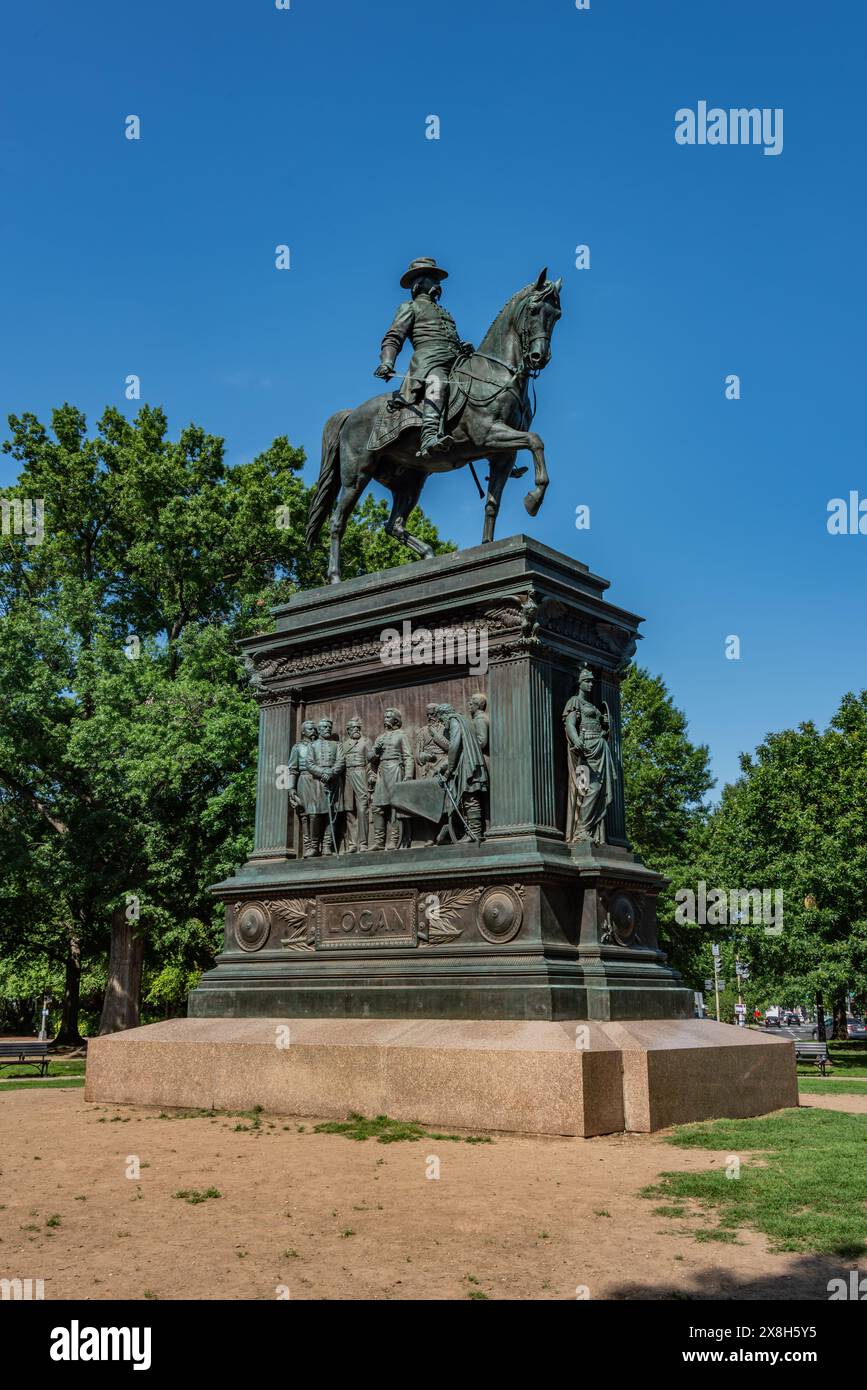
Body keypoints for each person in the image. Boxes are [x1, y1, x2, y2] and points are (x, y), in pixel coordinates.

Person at [374, 257, 473, 459]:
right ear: (419, 284)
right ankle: (429, 436)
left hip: (456, 360)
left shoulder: (444, 312)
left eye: (438, 280)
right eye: (433, 279)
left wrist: (463, 348)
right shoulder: (409, 307)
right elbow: (394, 337)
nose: (438, 284)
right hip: (430, 362)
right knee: (438, 382)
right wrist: (387, 362)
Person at [563, 665, 616, 843]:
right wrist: (576, 740)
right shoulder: (574, 701)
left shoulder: (592, 705)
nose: (591, 684)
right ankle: (581, 830)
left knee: (599, 788)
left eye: (592, 681)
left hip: (599, 748)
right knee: (587, 788)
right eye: (587, 681)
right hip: (585, 750)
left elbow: (601, 722)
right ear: (579, 683)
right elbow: (570, 723)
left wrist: (605, 722)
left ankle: (590, 830)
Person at [370, 708, 415, 850]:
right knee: (377, 806)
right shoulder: (380, 738)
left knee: (394, 806)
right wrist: (376, 751)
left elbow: (408, 756)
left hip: (395, 769)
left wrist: (408, 775)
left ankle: (394, 839)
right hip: (382, 771)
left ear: (396, 720)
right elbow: (370, 759)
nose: (386, 719)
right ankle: (378, 841)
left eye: (389, 717)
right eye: (385, 716)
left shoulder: (401, 735)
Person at [340, 718, 374, 853]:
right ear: (348, 730)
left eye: (358, 728)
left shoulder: (366, 742)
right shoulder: (343, 745)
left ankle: (363, 843)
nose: (356, 730)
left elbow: (370, 762)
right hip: (347, 775)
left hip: (361, 773)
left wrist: (371, 775)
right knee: (349, 811)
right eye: (353, 728)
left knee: (362, 808)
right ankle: (352, 844)